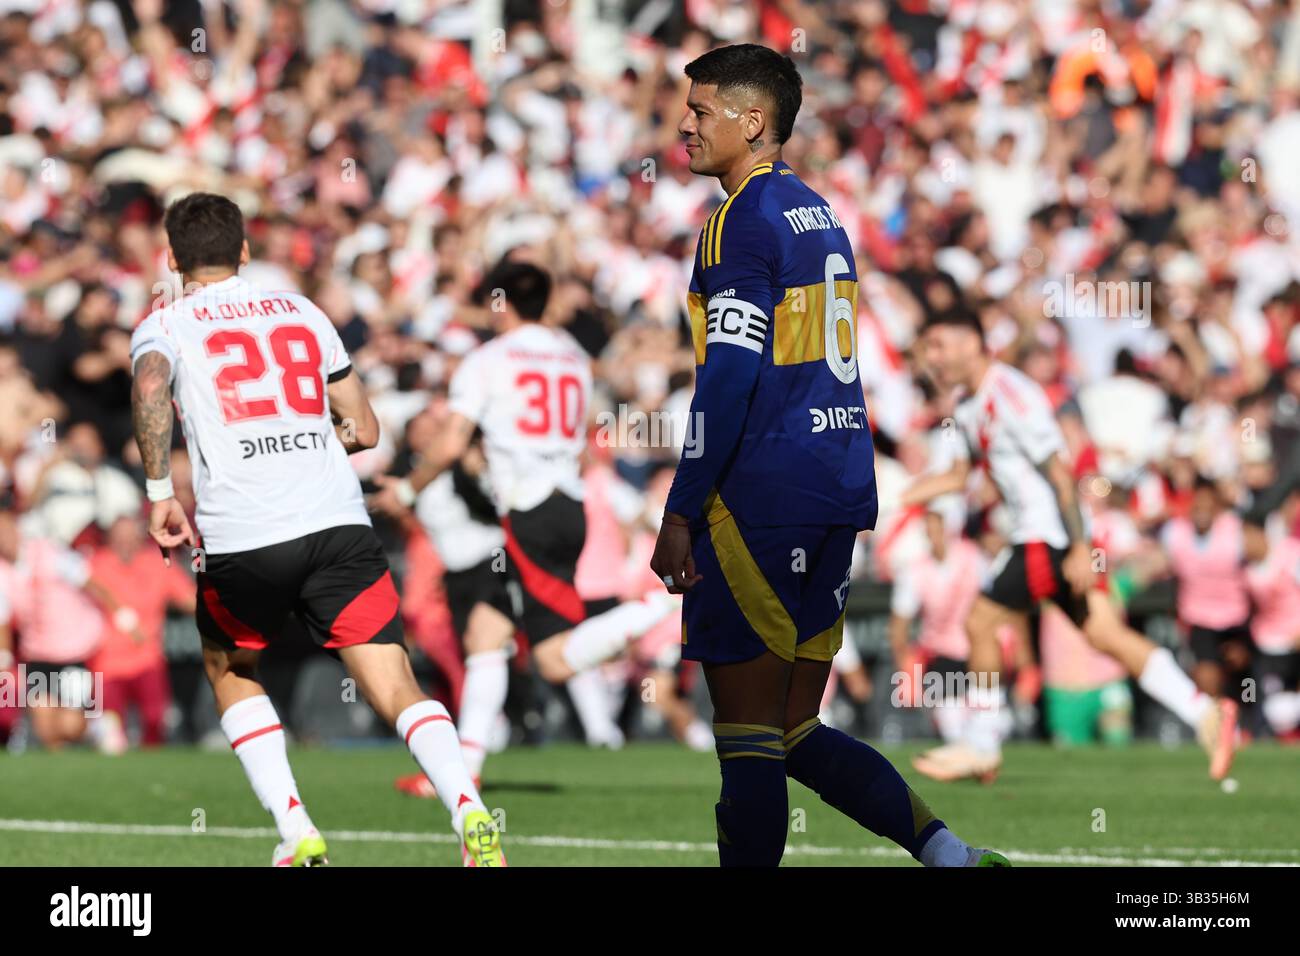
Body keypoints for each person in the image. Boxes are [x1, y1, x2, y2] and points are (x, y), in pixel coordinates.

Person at [648, 44, 1007, 868]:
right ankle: (953, 856)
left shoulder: (737, 224)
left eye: (701, 111)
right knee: (794, 730)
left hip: (760, 497)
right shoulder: (817, 210)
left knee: (748, 742)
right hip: (836, 487)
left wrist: (679, 510)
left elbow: (731, 378)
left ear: (752, 120)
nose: (684, 125)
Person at [128, 192, 503, 867]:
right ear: (244, 251)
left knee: (231, 665)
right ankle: (469, 810)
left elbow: (151, 389)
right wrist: (306, 443)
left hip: (245, 530)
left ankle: (296, 828)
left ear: (174, 259)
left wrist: (160, 492)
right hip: (336, 521)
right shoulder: (302, 310)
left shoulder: (166, 323)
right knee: (395, 683)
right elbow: (363, 428)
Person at [900, 309, 1237, 782]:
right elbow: (958, 475)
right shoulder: (969, 404)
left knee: (979, 620)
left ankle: (982, 743)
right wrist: (893, 497)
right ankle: (1204, 712)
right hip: (1050, 538)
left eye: (939, 344)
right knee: (1105, 634)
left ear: (972, 343)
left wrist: (1080, 548)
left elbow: (1061, 475)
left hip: (1049, 536)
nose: (931, 357)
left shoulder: (1011, 393)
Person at [370, 260, 672, 720]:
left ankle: (661, 604)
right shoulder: (571, 356)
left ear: (501, 304)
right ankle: (466, 766)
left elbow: (450, 442)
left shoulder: (489, 358)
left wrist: (407, 492)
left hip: (529, 509)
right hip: (567, 504)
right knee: (485, 634)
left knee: (552, 659)